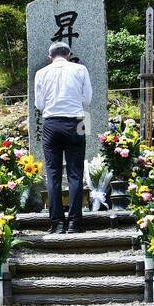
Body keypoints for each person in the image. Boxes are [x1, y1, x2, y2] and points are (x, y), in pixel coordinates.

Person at [33, 41, 92, 234]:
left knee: (53, 173)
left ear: (50, 57)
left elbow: (39, 104)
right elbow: (87, 100)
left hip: (51, 123)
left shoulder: (41, 73)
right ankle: (75, 223)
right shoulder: (80, 69)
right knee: (75, 173)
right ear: (68, 54)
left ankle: (57, 223)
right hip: (76, 122)